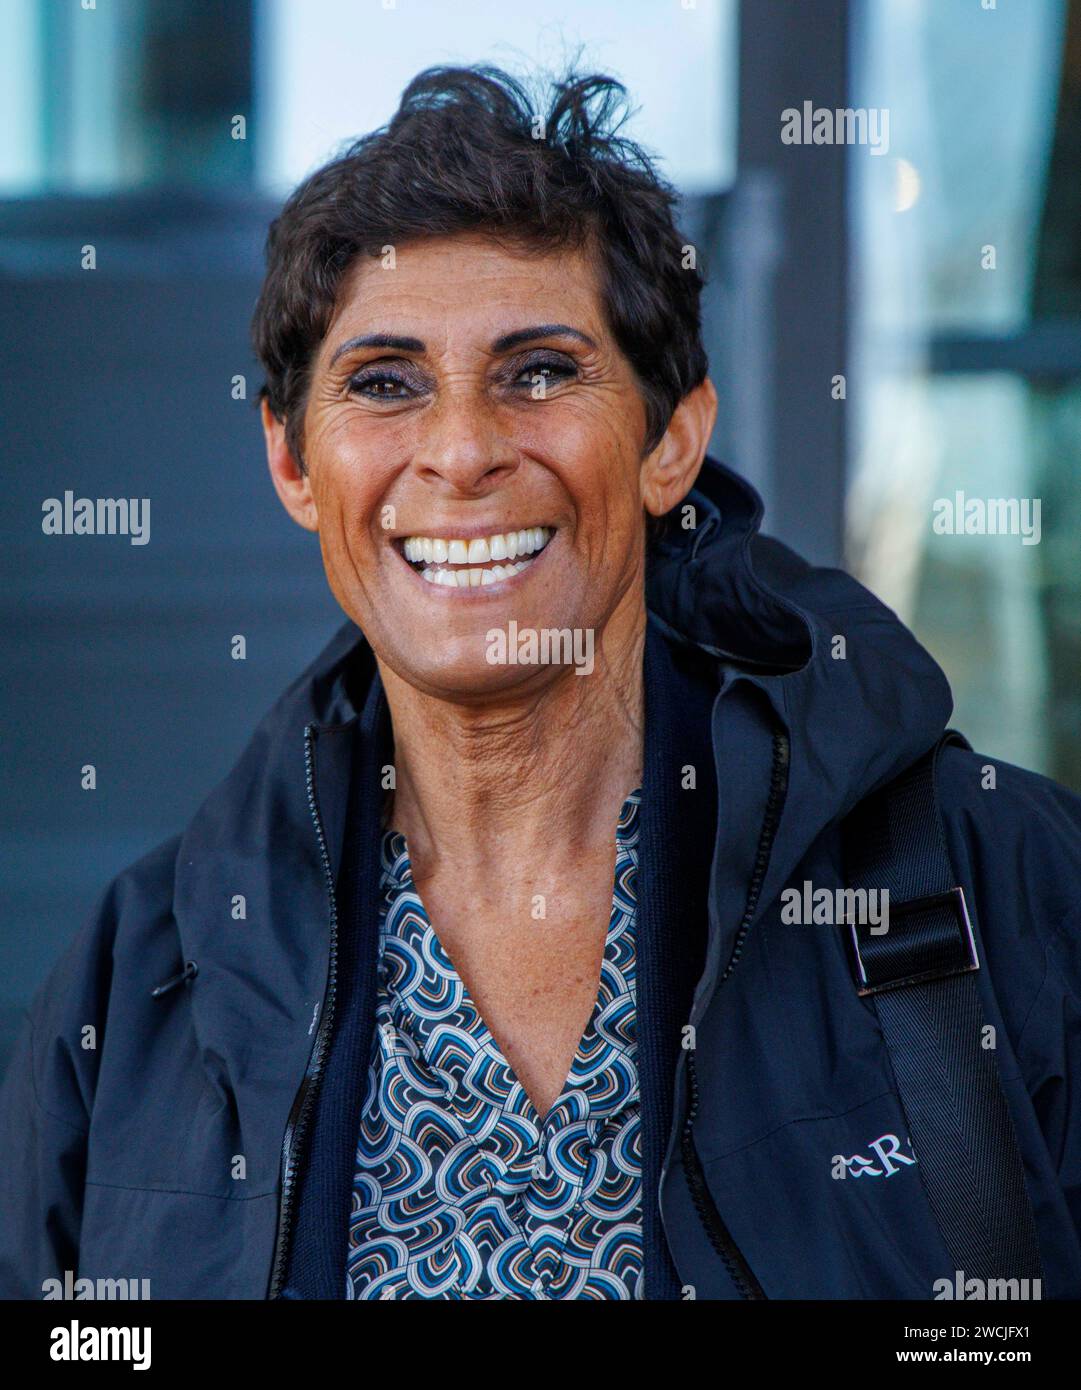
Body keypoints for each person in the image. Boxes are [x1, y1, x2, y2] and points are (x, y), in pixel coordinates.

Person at [2, 65, 1080, 1302]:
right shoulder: (138, 978)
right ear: (294, 464)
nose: (461, 451)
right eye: (386, 381)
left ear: (670, 440)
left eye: (540, 371)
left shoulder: (1003, 887)